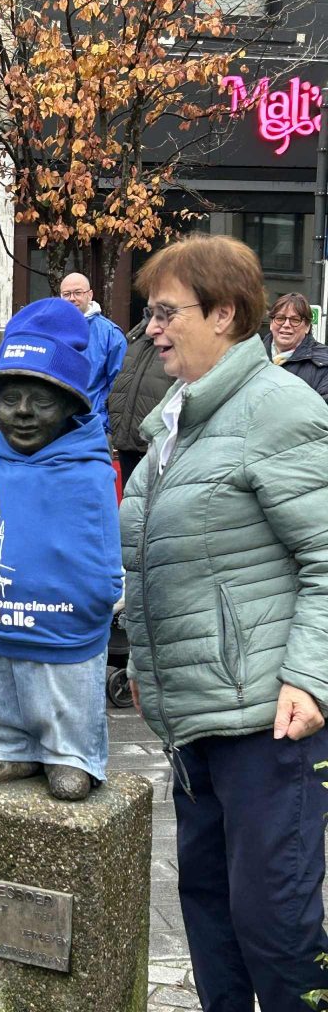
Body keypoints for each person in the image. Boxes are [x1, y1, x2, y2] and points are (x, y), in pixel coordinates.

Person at [120, 233, 328, 1012]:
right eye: (150, 312)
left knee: (275, 926)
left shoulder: (279, 410)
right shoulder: (182, 416)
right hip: (197, 718)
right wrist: (147, 664)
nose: (153, 329)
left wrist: (311, 676)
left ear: (225, 313)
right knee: (210, 914)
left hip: (268, 726)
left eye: (166, 312)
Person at [0, 298, 122, 800]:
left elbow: (102, 540)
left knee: (63, 687)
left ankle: (69, 752)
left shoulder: (86, 471)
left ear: (69, 405)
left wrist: (103, 591)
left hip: (63, 619)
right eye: (10, 398)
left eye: (41, 401)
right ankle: (4, 745)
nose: (22, 413)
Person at [107, 314, 173, 485]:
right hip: (125, 438)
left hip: (156, 443)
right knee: (130, 500)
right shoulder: (137, 335)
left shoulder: (179, 341)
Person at [59, 272, 125, 434]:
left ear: (90, 295)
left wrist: (108, 426)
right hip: (55, 428)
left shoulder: (110, 334)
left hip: (94, 427)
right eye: (66, 294)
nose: (72, 298)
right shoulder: (51, 330)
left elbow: (119, 387)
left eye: (78, 293)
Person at [263, 291, 328, 401]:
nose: (286, 325)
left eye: (295, 320)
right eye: (280, 318)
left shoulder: (324, 364)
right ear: (271, 323)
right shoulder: (251, 356)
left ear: (307, 327)